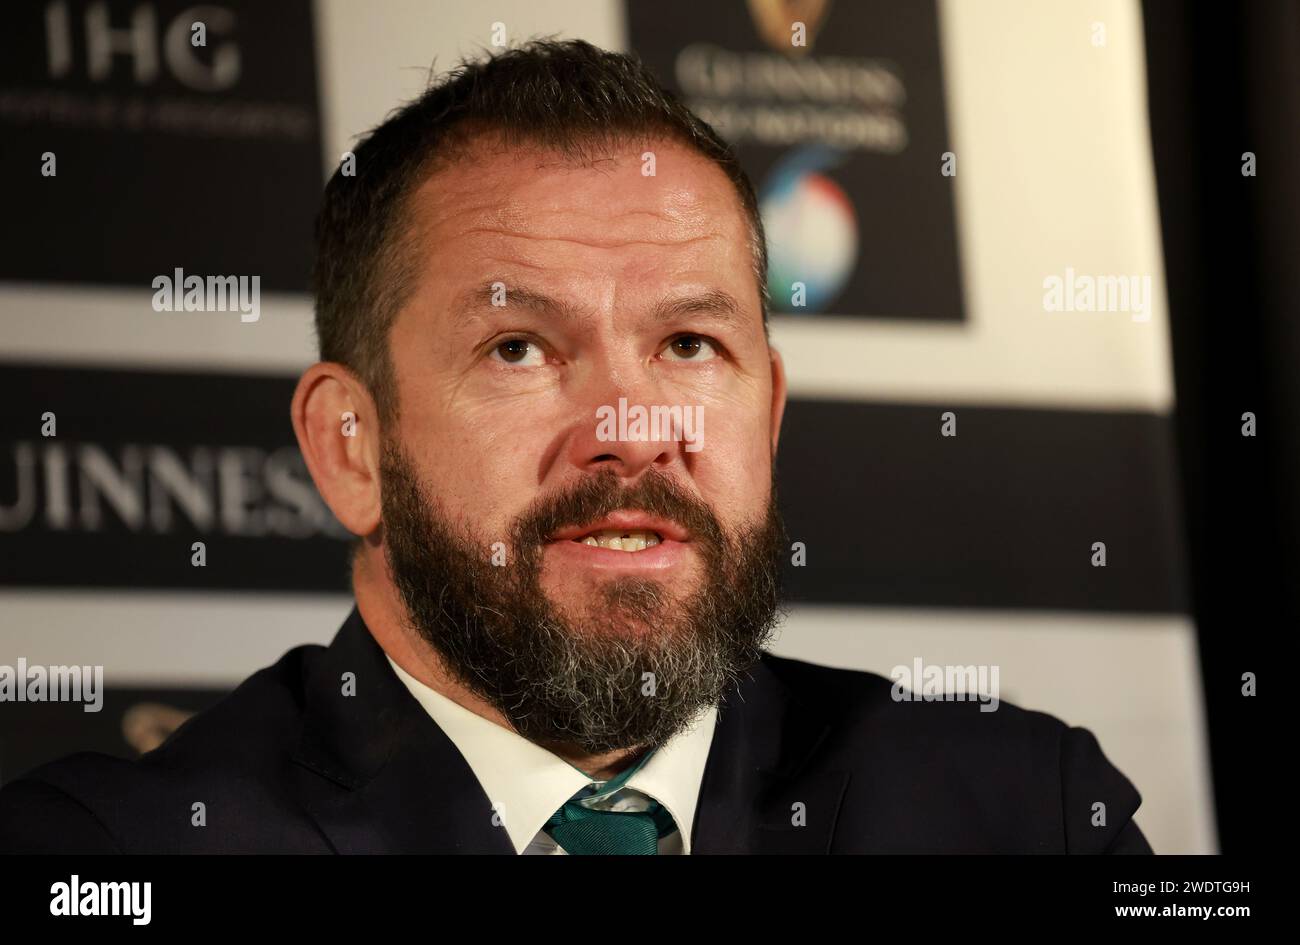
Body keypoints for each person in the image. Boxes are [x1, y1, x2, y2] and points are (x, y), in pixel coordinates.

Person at [0, 40, 1150, 854]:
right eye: (518, 350)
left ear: (770, 411)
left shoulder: (1024, 813)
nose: (631, 430)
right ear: (350, 448)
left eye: (691, 345)